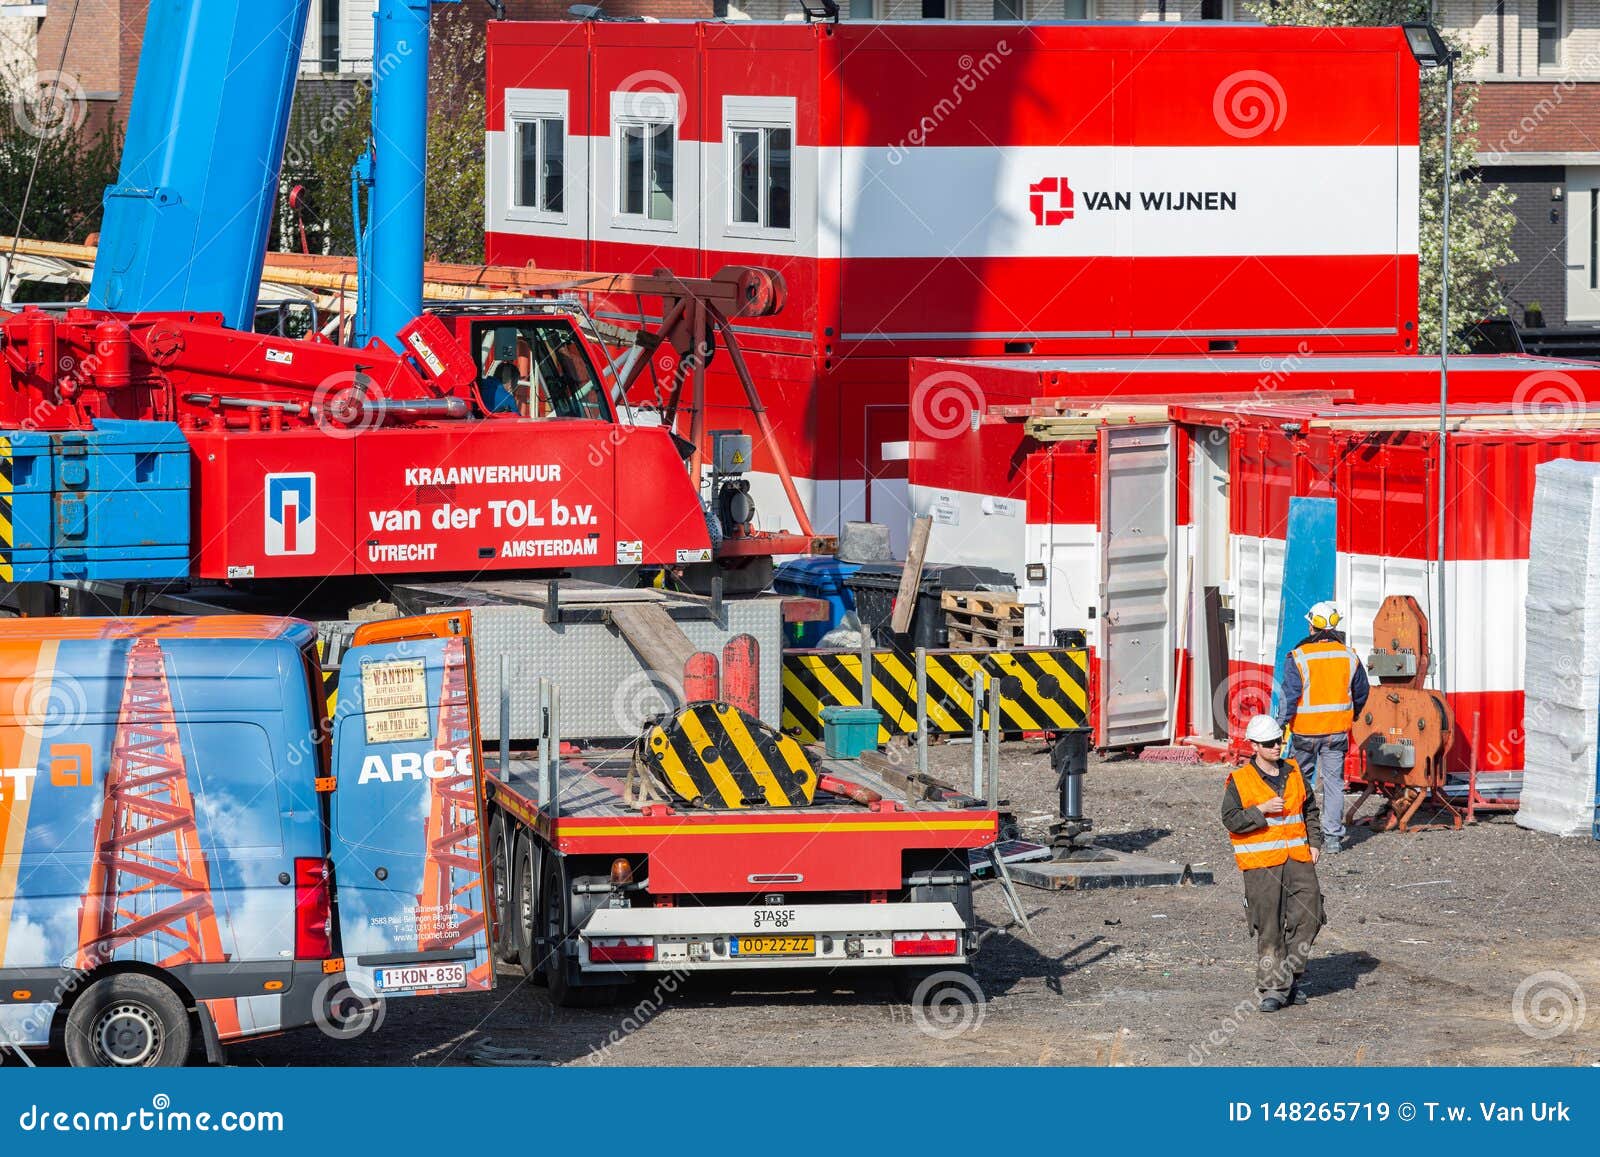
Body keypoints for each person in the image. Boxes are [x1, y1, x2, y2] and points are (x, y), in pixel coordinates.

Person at [1221, 714, 1326, 1012]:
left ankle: (1289, 978)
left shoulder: (1294, 772)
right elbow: (1230, 819)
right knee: (1269, 926)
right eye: (1268, 744)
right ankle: (1273, 988)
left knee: (1310, 917)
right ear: (1254, 746)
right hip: (1261, 864)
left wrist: (1315, 842)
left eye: (1278, 741)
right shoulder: (1240, 781)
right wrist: (1261, 810)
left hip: (1298, 859)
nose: (1276, 747)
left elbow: (1309, 809)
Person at [1275, 600, 1369, 854]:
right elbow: (1362, 693)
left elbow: (1289, 697)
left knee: (1298, 781)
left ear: (1312, 626)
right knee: (1333, 784)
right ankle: (1333, 839)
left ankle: (1299, 834)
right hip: (1336, 732)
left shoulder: (1299, 656)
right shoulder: (1349, 656)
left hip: (1305, 732)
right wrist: (1353, 715)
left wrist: (1279, 725)